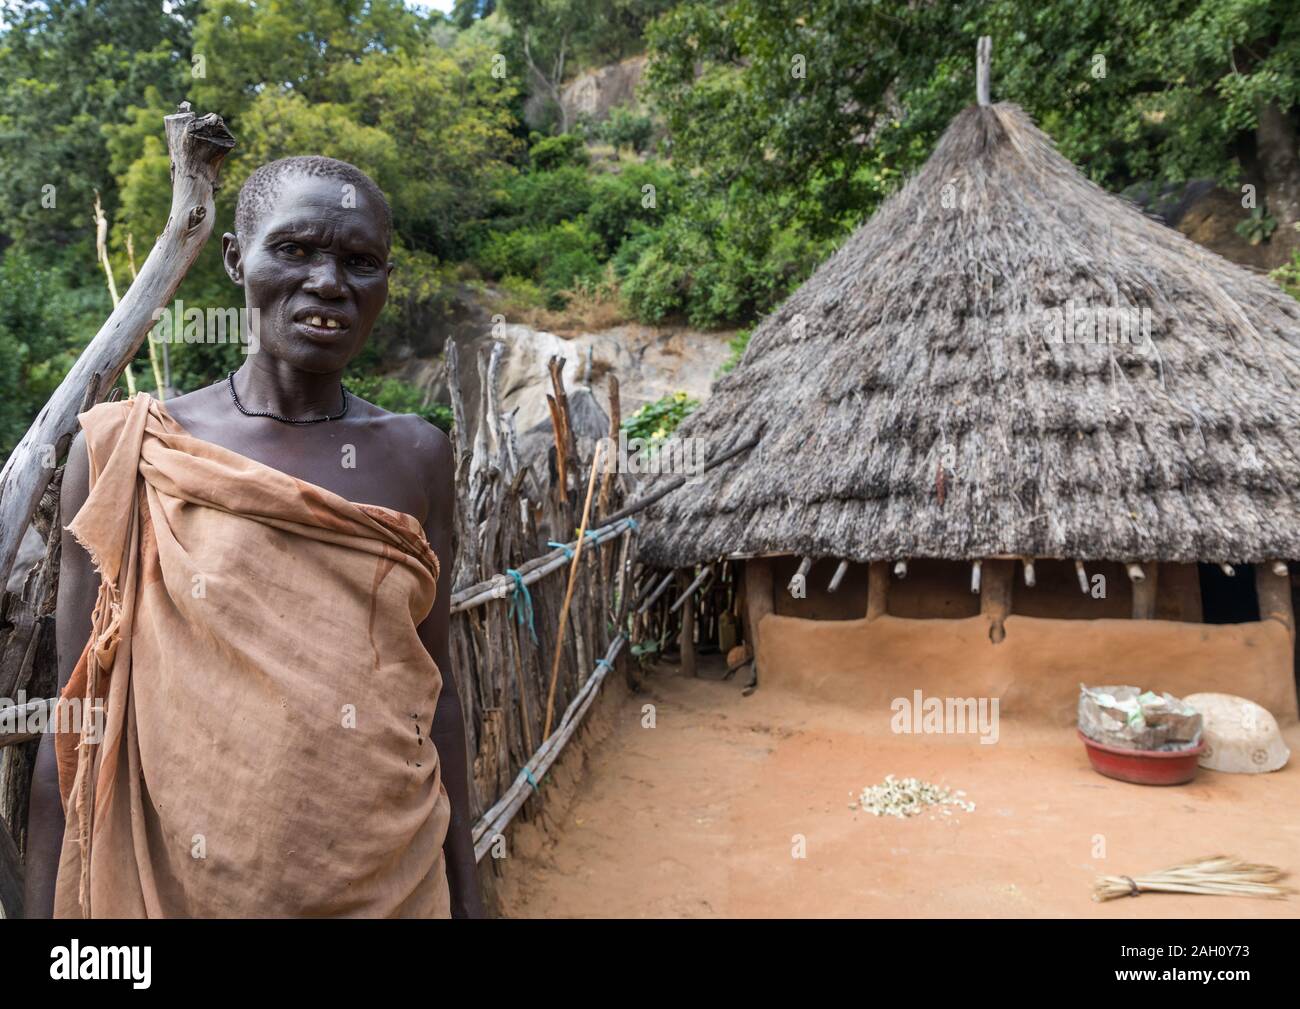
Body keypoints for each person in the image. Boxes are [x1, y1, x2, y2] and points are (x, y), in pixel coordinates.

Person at [23, 155, 483, 918]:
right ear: (236, 259)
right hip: (179, 891)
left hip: (388, 884)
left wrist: (468, 900)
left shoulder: (417, 456)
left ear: (385, 281)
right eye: (295, 249)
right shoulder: (134, 450)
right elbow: (75, 716)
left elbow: (435, 700)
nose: (328, 282)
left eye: (358, 261)